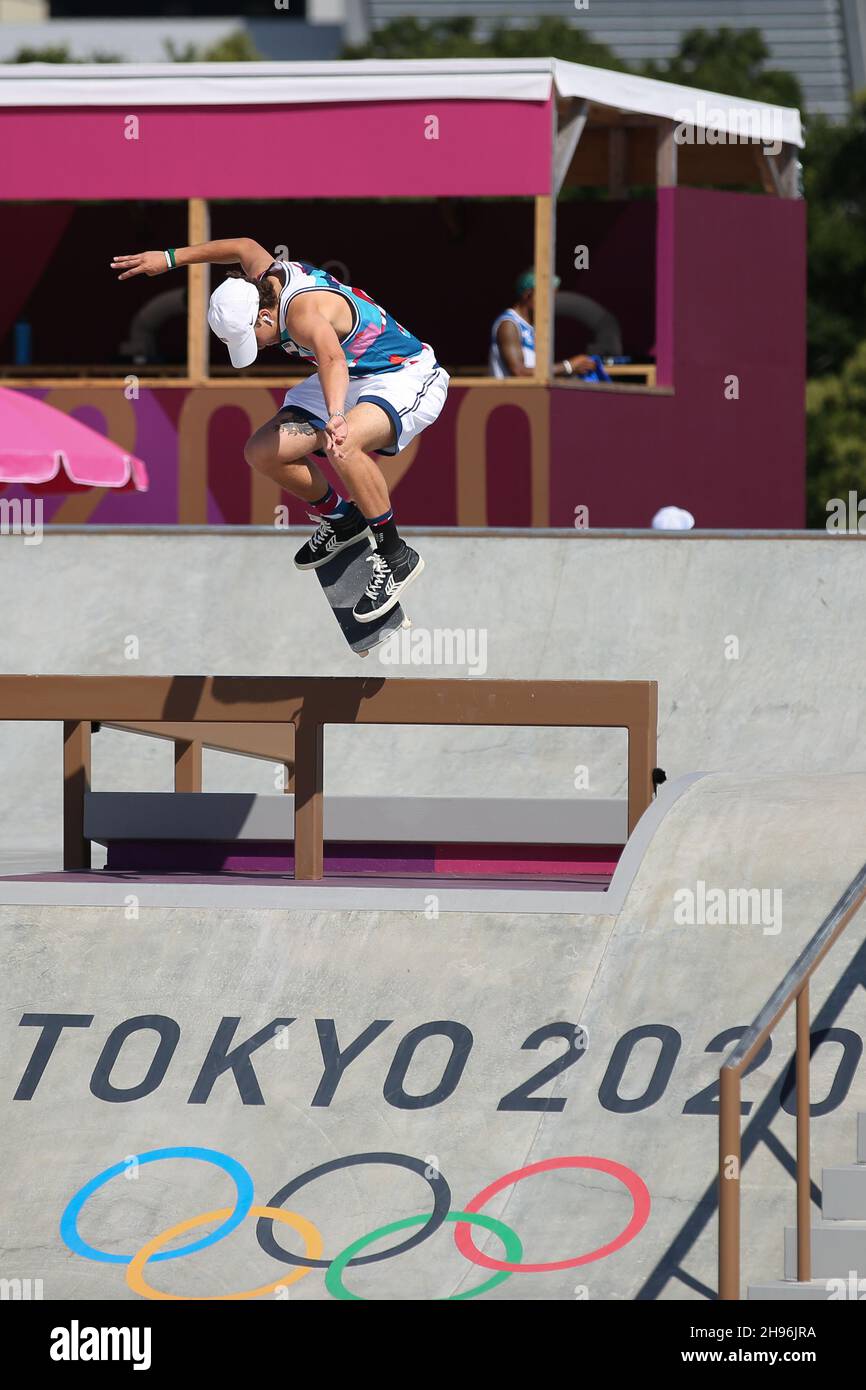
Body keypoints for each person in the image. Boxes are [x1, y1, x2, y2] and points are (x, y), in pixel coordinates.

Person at [111, 238, 449, 622]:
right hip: (351, 373)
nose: (259, 347)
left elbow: (332, 357)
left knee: (344, 443)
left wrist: (337, 416)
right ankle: (343, 520)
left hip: (401, 373)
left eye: (253, 338)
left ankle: (395, 555)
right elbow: (242, 245)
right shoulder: (262, 277)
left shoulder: (303, 315)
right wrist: (169, 259)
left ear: (266, 318)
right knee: (261, 451)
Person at [489, 270, 598, 380]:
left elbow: (540, 371)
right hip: (509, 397)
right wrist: (569, 366)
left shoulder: (536, 327)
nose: (550, 304)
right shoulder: (509, 325)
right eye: (546, 298)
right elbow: (519, 371)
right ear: (528, 294)